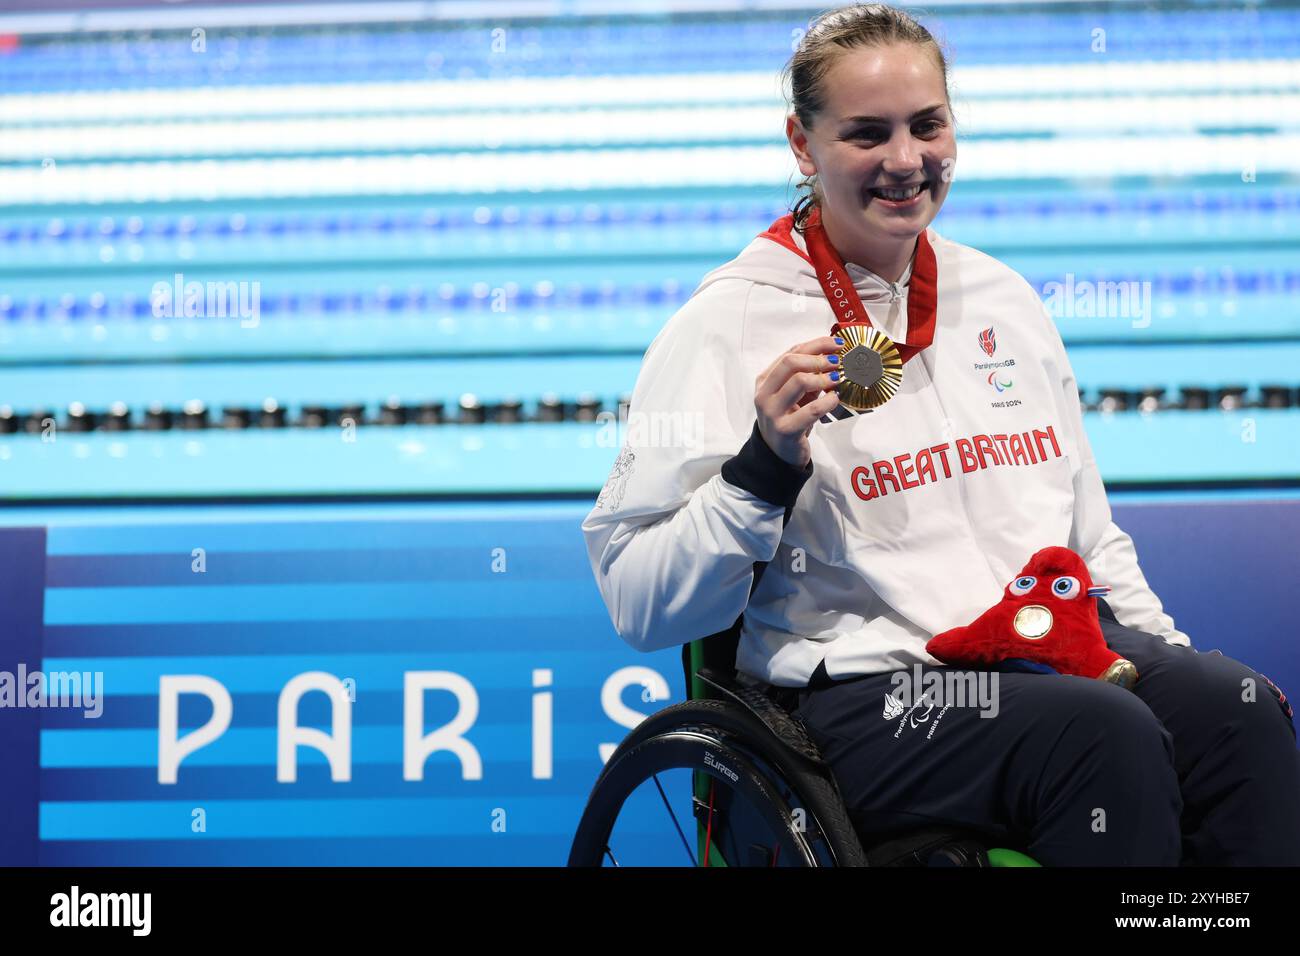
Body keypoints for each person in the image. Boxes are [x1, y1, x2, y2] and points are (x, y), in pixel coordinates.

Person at [581, 2, 1299, 865]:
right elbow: (638, 601)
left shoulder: (1002, 298)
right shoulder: (728, 323)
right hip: (867, 697)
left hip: (1037, 656)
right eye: (866, 134)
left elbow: (1088, 533)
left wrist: (1169, 666)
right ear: (802, 146)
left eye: (928, 126)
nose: (905, 161)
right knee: (1099, 732)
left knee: (1237, 712)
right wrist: (759, 472)